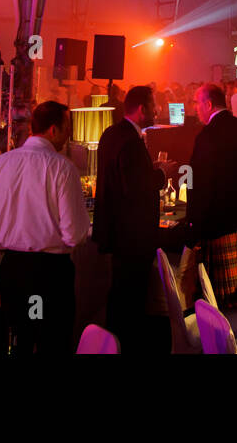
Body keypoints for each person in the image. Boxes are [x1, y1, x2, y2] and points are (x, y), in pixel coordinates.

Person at [0, 100, 89, 354]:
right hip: (52, 273)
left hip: (13, 271)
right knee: (53, 344)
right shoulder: (63, 168)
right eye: (67, 126)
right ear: (53, 130)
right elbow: (74, 235)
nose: (69, 133)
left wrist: (4, 260)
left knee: (17, 343)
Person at [94, 85, 164, 354]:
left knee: (119, 294)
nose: (157, 110)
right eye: (154, 105)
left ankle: (112, 343)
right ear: (142, 109)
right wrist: (161, 175)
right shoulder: (131, 142)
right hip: (133, 235)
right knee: (131, 298)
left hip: (116, 232)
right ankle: (128, 346)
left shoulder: (111, 134)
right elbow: (135, 187)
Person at [186, 83, 237, 303]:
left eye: (197, 103)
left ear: (209, 104)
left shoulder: (205, 137)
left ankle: (225, 336)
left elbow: (197, 184)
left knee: (225, 303)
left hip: (222, 227)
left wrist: (193, 225)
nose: (195, 108)